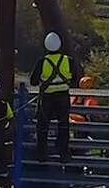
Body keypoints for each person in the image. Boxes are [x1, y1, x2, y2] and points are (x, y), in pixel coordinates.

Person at [30, 31, 80, 165]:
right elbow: (76, 78)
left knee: (42, 126)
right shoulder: (68, 60)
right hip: (63, 97)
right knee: (63, 125)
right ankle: (63, 154)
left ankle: (42, 155)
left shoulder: (42, 62)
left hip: (47, 97)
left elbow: (33, 81)